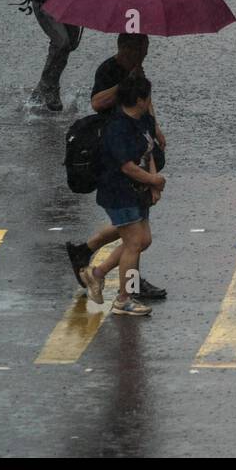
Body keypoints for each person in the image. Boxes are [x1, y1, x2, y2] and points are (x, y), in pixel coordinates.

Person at [65, 34, 168, 301]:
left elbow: (143, 101)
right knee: (133, 232)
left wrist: (154, 128)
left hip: (138, 148)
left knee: (137, 232)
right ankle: (127, 291)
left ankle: (92, 259)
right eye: (138, 50)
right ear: (124, 48)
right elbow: (98, 103)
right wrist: (125, 85)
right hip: (119, 156)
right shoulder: (109, 70)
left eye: (146, 49)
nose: (143, 54)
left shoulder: (138, 73)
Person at [77, 74, 164, 318]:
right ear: (138, 99)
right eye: (148, 97)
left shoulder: (143, 119)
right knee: (134, 243)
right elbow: (127, 167)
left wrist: (154, 185)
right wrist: (153, 181)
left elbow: (149, 153)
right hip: (118, 192)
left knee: (142, 240)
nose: (150, 101)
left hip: (138, 191)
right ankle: (125, 298)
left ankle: (96, 275)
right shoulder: (117, 128)